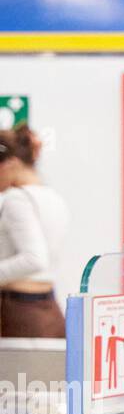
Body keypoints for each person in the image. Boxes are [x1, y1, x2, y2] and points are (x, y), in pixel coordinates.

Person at [0, 126, 71, 338]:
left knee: (18, 373)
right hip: (48, 310)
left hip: (19, 313)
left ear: (10, 164)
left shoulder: (16, 199)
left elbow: (35, 258)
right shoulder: (53, 198)